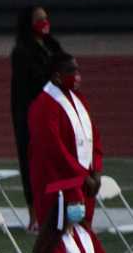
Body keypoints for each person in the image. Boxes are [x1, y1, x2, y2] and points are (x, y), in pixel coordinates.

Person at [26, 53, 102, 232]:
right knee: (60, 239)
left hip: (85, 182)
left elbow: (94, 135)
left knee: (84, 237)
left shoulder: (78, 98)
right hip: (60, 186)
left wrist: (96, 170)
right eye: (71, 71)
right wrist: (83, 176)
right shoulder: (43, 106)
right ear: (56, 75)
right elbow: (53, 149)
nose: (76, 75)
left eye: (77, 70)